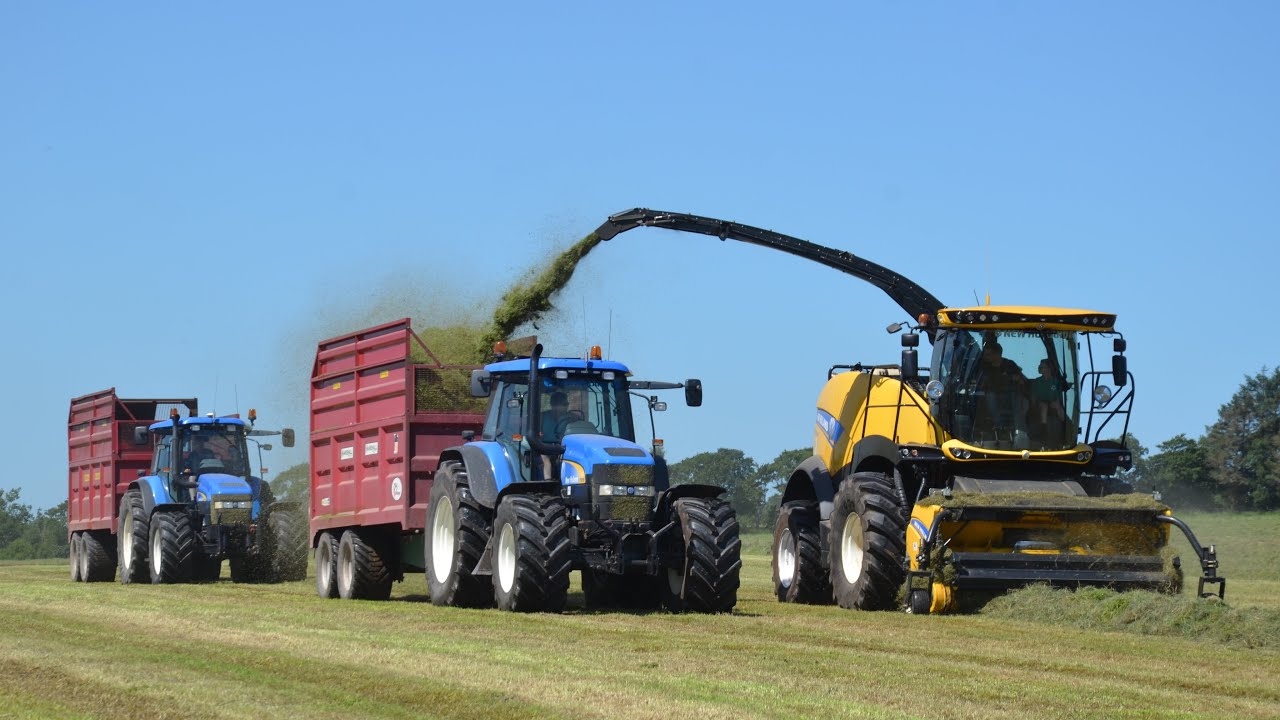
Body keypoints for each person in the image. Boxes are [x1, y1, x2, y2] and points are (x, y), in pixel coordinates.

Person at [978, 341, 1030, 448]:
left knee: (1017, 397)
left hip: (1011, 396)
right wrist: (1007, 378)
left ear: (997, 354)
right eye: (985, 354)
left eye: (988, 354)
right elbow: (984, 384)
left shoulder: (1010, 364)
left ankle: (1020, 432)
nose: (985, 357)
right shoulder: (983, 367)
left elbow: (1019, 379)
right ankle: (1000, 429)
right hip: (992, 397)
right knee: (990, 396)